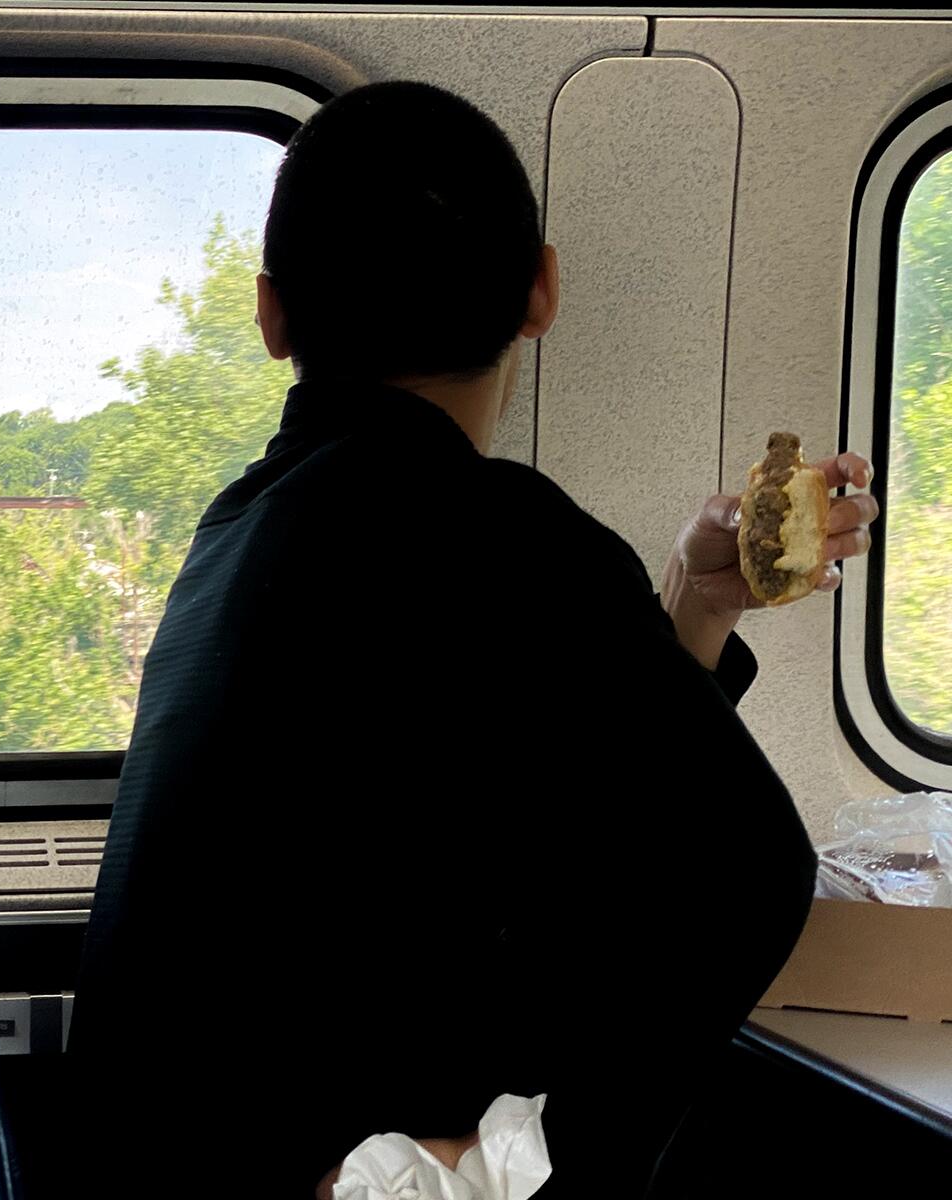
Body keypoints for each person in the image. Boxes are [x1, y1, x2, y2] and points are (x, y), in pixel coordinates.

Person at [63, 82, 877, 1198]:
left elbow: (532, 800)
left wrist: (695, 598)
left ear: (271, 316)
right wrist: (515, 1162)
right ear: (542, 290)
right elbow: (747, 870)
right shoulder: (498, 531)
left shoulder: (238, 533)